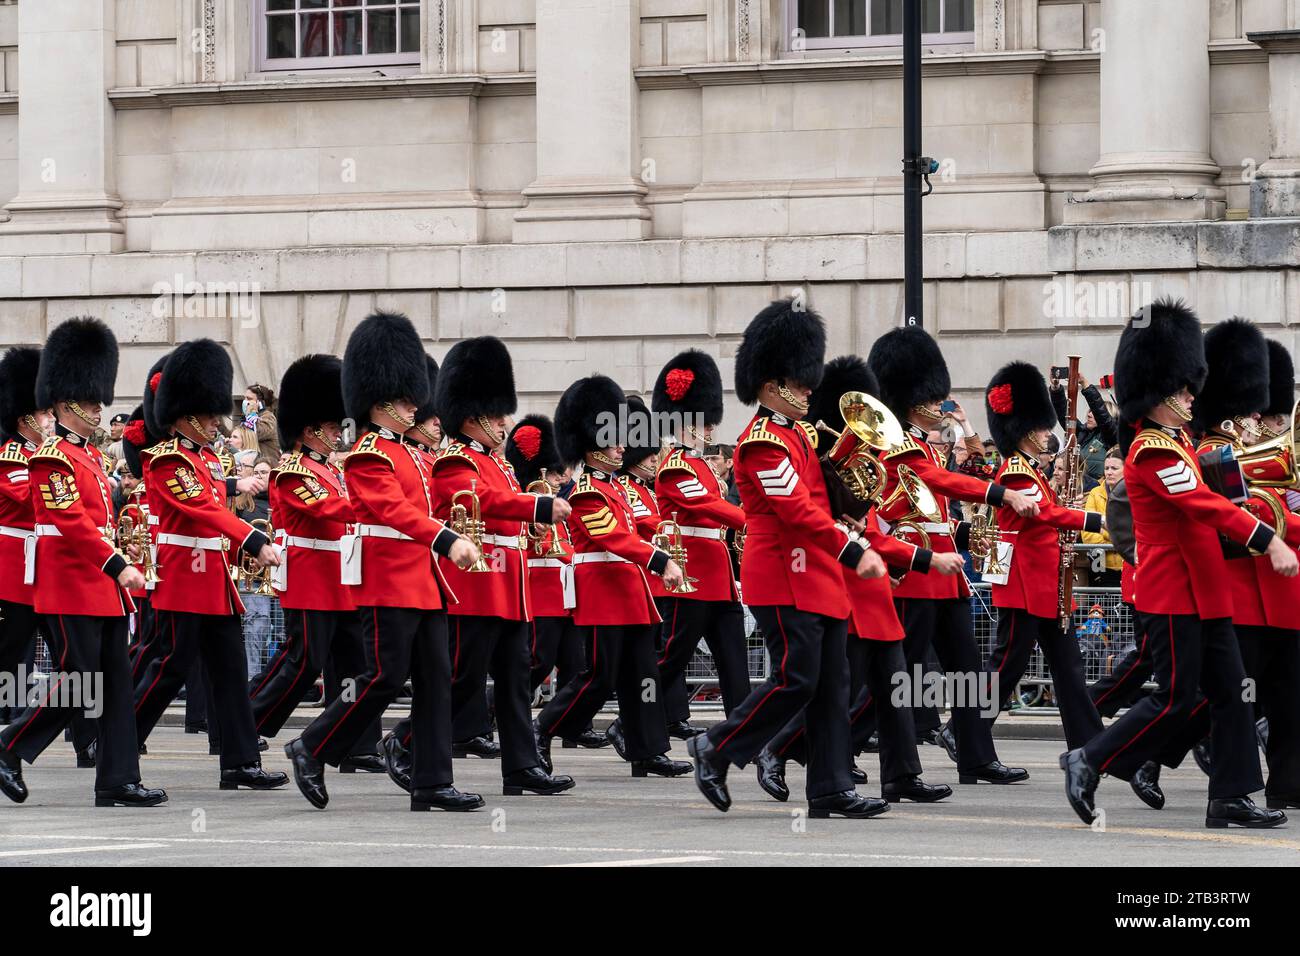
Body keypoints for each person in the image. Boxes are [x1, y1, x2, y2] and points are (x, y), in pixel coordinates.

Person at [1060, 299, 1291, 830]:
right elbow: (1201, 506)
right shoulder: (1151, 451)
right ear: (1160, 390)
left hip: (1205, 592)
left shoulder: (1179, 445)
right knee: (1172, 698)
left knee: (1232, 695)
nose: (1192, 395)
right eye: (1184, 387)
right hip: (1173, 593)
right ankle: (1088, 758)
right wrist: (1266, 537)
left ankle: (1230, 795)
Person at [687, 300, 890, 819]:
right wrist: (851, 548)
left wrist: (854, 490)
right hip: (782, 578)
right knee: (795, 679)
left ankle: (830, 788)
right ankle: (717, 745)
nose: (808, 391)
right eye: (801, 383)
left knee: (830, 687)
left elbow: (824, 501)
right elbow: (796, 511)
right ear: (773, 384)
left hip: (819, 579)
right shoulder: (759, 445)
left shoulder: (799, 434)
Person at [283, 312, 483, 812]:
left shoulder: (413, 455)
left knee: (438, 680)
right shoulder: (367, 455)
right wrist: (445, 538)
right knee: (382, 677)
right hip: (388, 577)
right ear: (380, 402)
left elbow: (436, 500)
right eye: (405, 399)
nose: (415, 405)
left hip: (425, 581)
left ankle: (432, 782)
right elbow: (393, 511)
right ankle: (311, 745)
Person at [755, 355, 958, 805]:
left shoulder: (850, 465)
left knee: (894, 685)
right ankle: (778, 747)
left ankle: (902, 774)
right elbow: (831, 526)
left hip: (871, 586)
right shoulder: (811, 463)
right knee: (836, 691)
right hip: (839, 586)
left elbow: (868, 532)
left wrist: (923, 557)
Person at [0, 317, 166, 808]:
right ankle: (9, 744)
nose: (99, 409)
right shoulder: (49, 457)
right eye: (92, 402)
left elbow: (101, 520)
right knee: (81, 680)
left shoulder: (91, 457)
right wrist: (117, 565)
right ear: (66, 403)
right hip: (71, 582)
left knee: (115, 683)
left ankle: (117, 779)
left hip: (101, 584)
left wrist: (124, 555)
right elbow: (70, 522)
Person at [400, 337, 574, 796]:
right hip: (475, 586)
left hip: (508, 584)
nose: (504, 423)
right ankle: (401, 743)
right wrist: (535, 507)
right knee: (460, 680)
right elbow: (482, 500)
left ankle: (521, 768)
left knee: (516, 680)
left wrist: (531, 525)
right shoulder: (453, 461)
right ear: (473, 416)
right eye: (497, 416)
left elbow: (501, 508)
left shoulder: (495, 462)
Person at [865, 326, 1034, 785]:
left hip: (945, 571)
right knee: (896, 670)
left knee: (966, 669)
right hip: (916, 570)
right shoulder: (898, 445)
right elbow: (942, 485)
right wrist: (1000, 494)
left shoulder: (923, 444)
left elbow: (938, 506)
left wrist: (961, 529)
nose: (937, 405)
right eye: (929, 398)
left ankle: (976, 756)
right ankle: (821, 742)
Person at [130, 339, 287, 792]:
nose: (218, 421)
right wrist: (254, 538)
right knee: (168, 668)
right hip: (180, 576)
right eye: (210, 413)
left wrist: (242, 482)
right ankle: (118, 741)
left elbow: (216, 491)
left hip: (213, 579)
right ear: (185, 415)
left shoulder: (201, 458)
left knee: (230, 670)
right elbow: (203, 508)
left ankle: (240, 762)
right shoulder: (165, 459)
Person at [533, 374, 690, 780]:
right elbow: (612, 536)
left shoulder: (616, 487)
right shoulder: (586, 491)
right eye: (613, 439)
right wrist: (659, 560)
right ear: (591, 444)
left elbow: (635, 530)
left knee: (644, 675)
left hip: (629, 593)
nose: (622, 446)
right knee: (598, 677)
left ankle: (648, 749)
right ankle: (544, 727)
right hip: (603, 592)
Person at [248, 353, 382, 773]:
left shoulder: (330, 469)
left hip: (340, 578)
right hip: (309, 578)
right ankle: (245, 721)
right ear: (308, 431)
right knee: (303, 661)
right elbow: (328, 511)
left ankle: (356, 744)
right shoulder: (291, 473)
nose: (336, 435)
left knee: (355, 665)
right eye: (328, 428)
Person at [968, 360, 1105, 751]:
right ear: (1026, 430)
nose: (1048, 432)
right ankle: (964, 731)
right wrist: (1088, 518)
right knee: (1006, 666)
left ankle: (1089, 741)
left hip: (1045, 585)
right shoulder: (1016, 473)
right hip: (1023, 584)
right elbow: (1041, 514)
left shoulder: (1032, 470)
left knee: (1068, 665)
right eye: (1043, 427)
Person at [649, 350, 751, 740]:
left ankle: (745, 733)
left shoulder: (702, 466)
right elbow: (708, 506)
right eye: (704, 424)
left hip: (717, 576)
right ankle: (632, 723)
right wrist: (754, 522)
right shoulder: (674, 465)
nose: (710, 431)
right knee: (670, 661)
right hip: (689, 577)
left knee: (734, 662)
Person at [505, 415, 602, 747]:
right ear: (541, 472)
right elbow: (538, 545)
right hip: (541, 591)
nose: (564, 478)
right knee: (538, 660)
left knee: (577, 665)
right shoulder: (532, 500)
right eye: (559, 472)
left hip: (565, 593)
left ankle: (575, 726)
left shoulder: (559, 503)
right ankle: (493, 709)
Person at [0, 348, 52, 727]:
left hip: (40, 563)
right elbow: (30, 500)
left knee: (52, 650)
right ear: (24, 419)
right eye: (45, 413)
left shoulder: (39, 454)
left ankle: (86, 736)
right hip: (14, 564)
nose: (50, 420)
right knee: (13, 648)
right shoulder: (13, 455)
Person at [1051, 369, 1118, 491]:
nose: (1089, 415)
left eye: (1094, 412)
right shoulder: (1082, 433)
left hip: (1100, 491)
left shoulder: (1112, 437)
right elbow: (1064, 415)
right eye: (1089, 411)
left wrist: (1085, 385)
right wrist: (1056, 389)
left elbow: (1102, 416)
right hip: (1076, 488)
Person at [1081, 447, 1124, 586]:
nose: (1109, 472)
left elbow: (1132, 532)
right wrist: (1116, 544)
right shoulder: (1095, 493)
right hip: (1100, 563)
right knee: (1098, 604)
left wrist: (1106, 535)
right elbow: (1088, 533)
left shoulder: (1135, 494)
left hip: (1128, 565)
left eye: (1114, 468)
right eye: (1107, 468)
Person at [242, 383, 280, 462]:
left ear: (260, 402)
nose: (245, 401)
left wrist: (252, 413)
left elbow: (254, 434)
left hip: (266, 466)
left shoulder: (268, 417)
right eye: (244, 398)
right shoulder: (248, 418)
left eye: (249, 398)